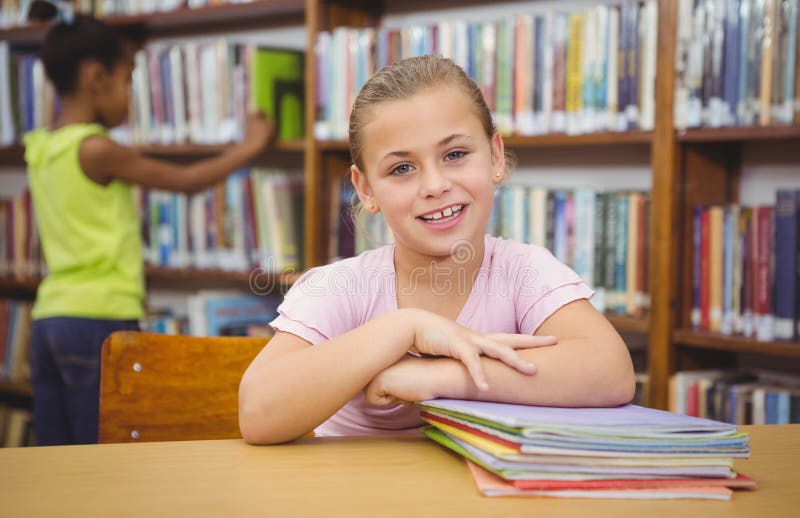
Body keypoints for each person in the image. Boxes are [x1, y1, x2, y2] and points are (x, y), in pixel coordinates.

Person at [238, 55, 634, 445]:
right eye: (401, 169)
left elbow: (609, 371)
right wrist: (402, 328)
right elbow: (258, 414)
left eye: (455, 155)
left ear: (496, 156)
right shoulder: (341, 287)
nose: (434, 184)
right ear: (366, 190)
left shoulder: (524, 271)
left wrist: (440, 377)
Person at [24, 0, 273, 445]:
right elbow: (187, 181)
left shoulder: (41, 147)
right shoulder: (97, 149)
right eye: (127, 82)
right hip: (98, 319)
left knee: (55, 453)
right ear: (95, 78)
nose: (129, 96)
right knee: (101, 452)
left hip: (47, 320)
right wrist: (250, 146)